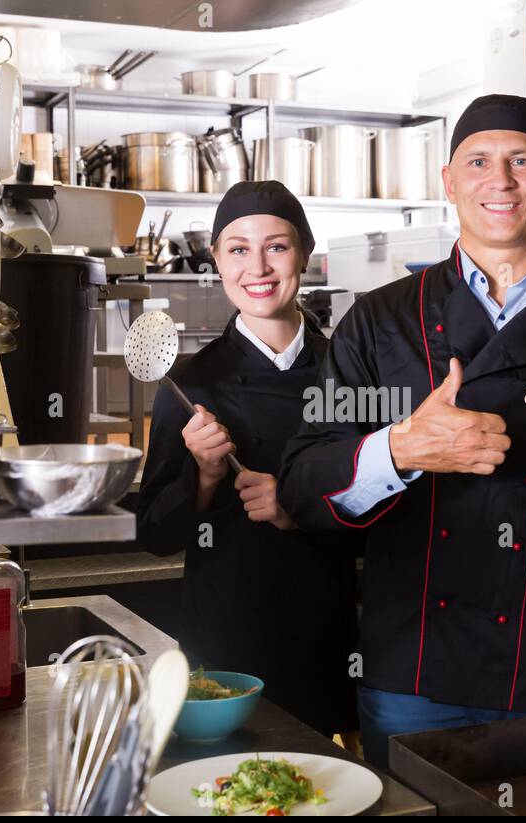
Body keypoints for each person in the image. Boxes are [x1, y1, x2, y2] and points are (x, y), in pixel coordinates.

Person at [278, 94, 526, 770]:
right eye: (480, 162)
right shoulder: (380, 322)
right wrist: (400, 448)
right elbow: (301, 485)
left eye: (523, 162)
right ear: (449, 182)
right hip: (414, 668)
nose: (501, 180)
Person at [132, 180, 357, 737]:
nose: (257, 266)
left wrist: (301, 507)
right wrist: (204, 477)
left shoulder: (351, 373)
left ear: (304, 252)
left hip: (333, 637)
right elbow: (156, 533)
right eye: (238, 249)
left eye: (276, 247)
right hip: (226, 644)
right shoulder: (187, 383)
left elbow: (393, 517)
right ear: (217, 260)